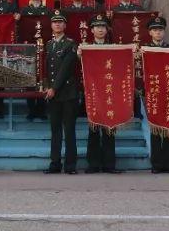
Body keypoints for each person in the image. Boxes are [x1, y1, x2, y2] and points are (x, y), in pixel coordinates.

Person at [83, 14, 121, 174]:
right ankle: (93, 164)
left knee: (109, 129)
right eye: (97, 27)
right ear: (91, 30)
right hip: (93, 93)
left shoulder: (114, 48)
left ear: (107, 30)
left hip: (109, 93)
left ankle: (109, 164)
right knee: (93, 129)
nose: (100, 29)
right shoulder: (86, 47)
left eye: (103, 27)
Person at [43, 10, 79, 174]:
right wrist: (45, 85)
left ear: (65, 25)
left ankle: (70, 165)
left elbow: (65, 69)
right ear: (51, 25)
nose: (57, 25)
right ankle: (55, 163)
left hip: (67, 93)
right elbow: (46, 69)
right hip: (52, 94)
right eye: (54, 22)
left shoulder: (71, 44)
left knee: (69, 130)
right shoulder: (49, 44)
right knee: (55, 130)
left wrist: (53, 88)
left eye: (60, 22)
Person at [143, 16, 169, 174]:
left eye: (160, 30)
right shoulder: (145, 49)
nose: (158, 32)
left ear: (164, 32)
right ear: (150, 32)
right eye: (155, 30)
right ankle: (156, 165)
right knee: (156, 129)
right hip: (153, 93)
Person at [19, 0, 52, 120]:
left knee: (44, 76)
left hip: (45, 49)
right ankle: (31, 110)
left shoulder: (49, 11)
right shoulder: (23, 11)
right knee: (29, 77)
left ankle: (42, 109)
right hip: (29, 50)